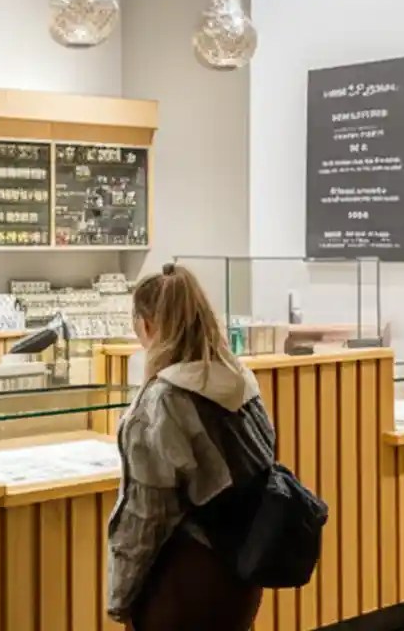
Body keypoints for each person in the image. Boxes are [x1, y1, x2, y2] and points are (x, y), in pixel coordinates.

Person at [107, 262, 276, 631]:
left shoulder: (161, 402)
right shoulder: (242, 381)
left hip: (181, 584)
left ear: (147, 326)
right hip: (241, 576)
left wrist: (120, 597)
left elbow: (145, 515)